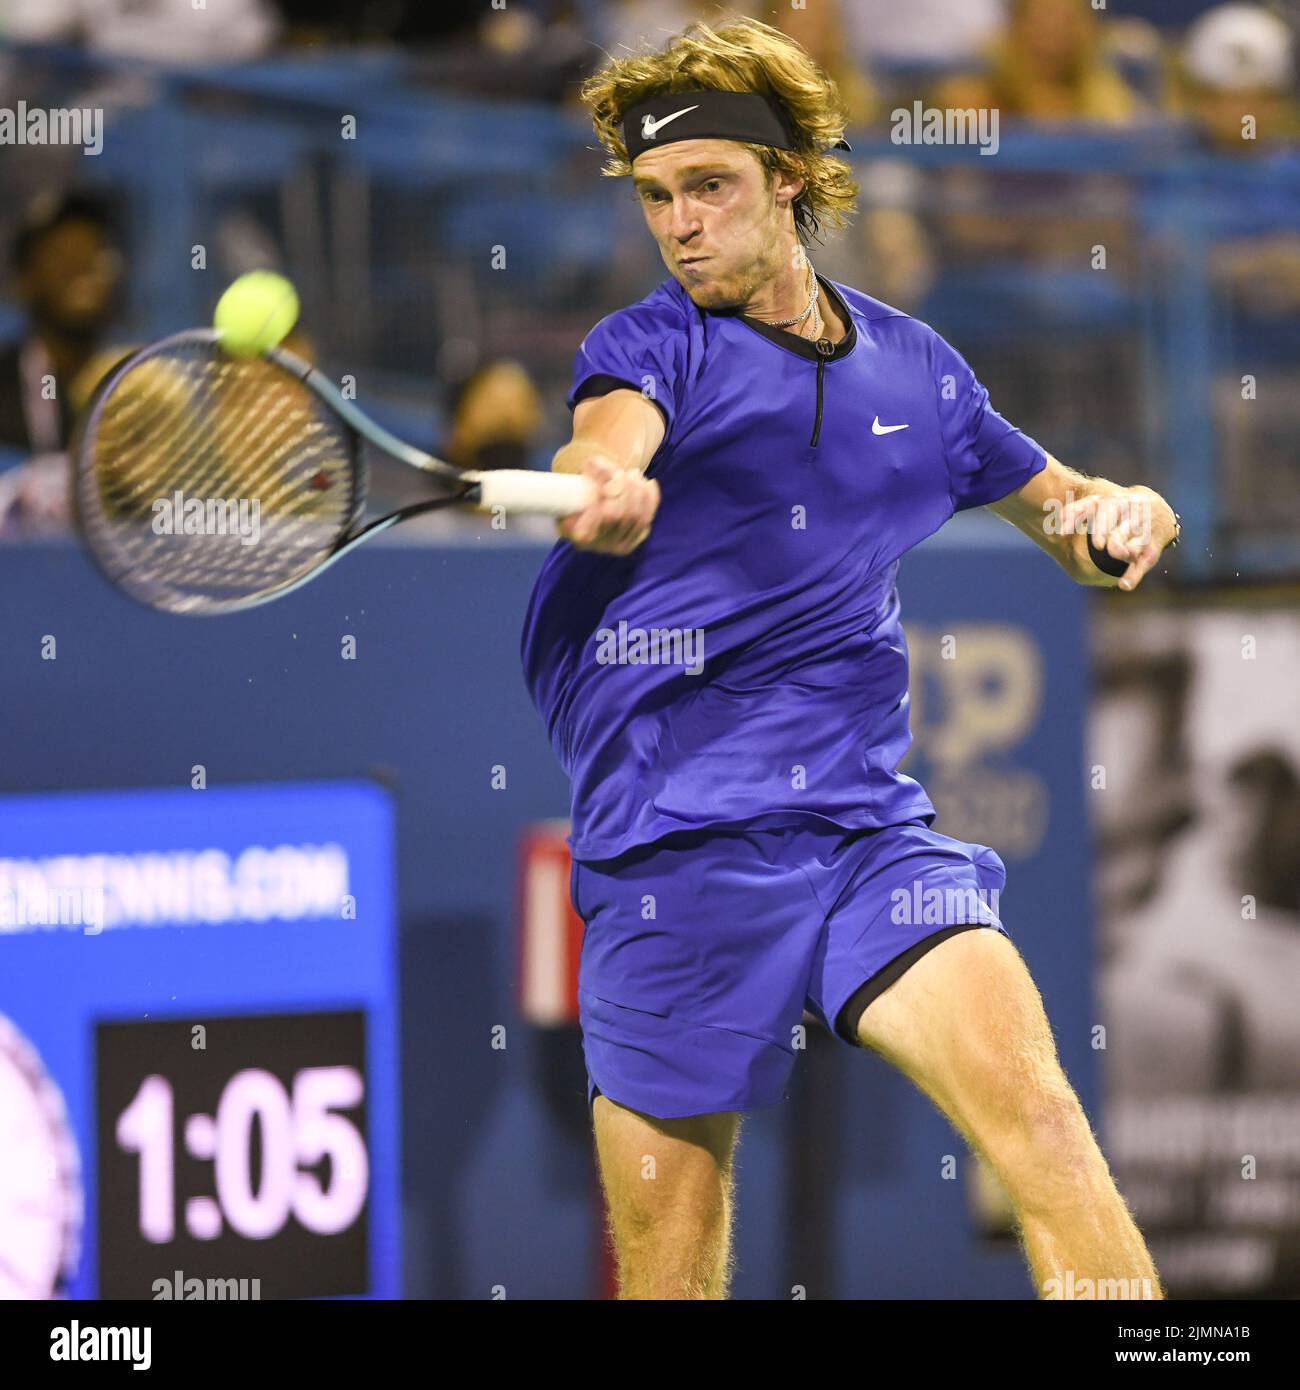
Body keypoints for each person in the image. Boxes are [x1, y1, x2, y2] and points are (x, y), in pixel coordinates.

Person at [520, 16, 1177, 1300]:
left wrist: (1123, 514)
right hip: (674, 855)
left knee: (1040, 1126)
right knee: (668, 1263)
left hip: (867, 837)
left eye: (708, 186)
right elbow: (602, 443)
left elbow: (1069, 519)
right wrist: (597, 485)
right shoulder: (651, 347)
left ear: (791, 183)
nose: (679, 225)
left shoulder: (917, 371)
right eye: (656, 197)